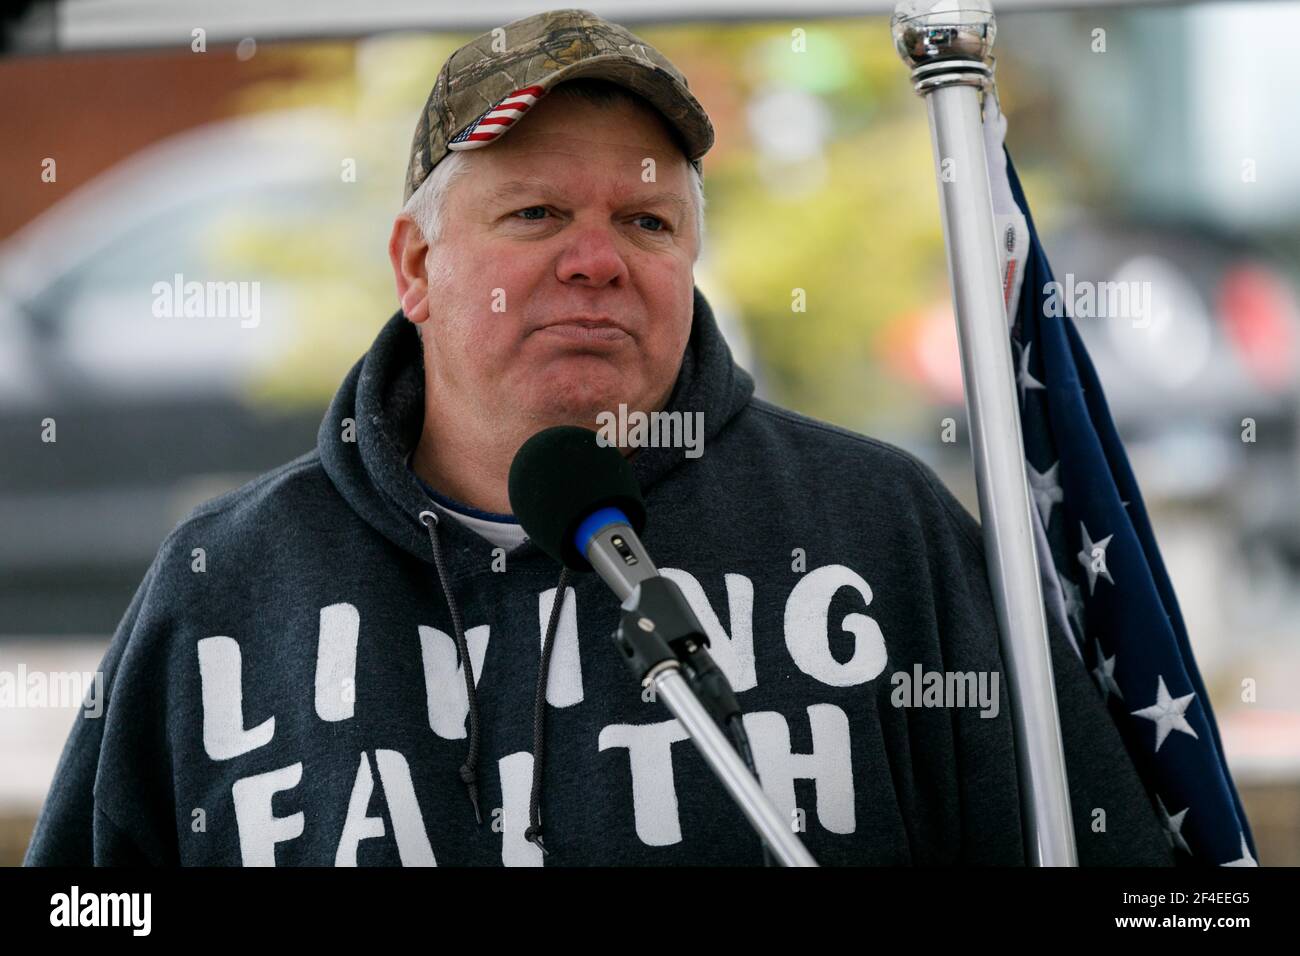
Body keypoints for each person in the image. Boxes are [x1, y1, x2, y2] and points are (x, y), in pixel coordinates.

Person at [24, 8, 1176, 867]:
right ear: (417, 267)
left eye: (645, 219)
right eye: (534, 214)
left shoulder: (880, 533)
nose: (596, 258)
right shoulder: (224, 583)